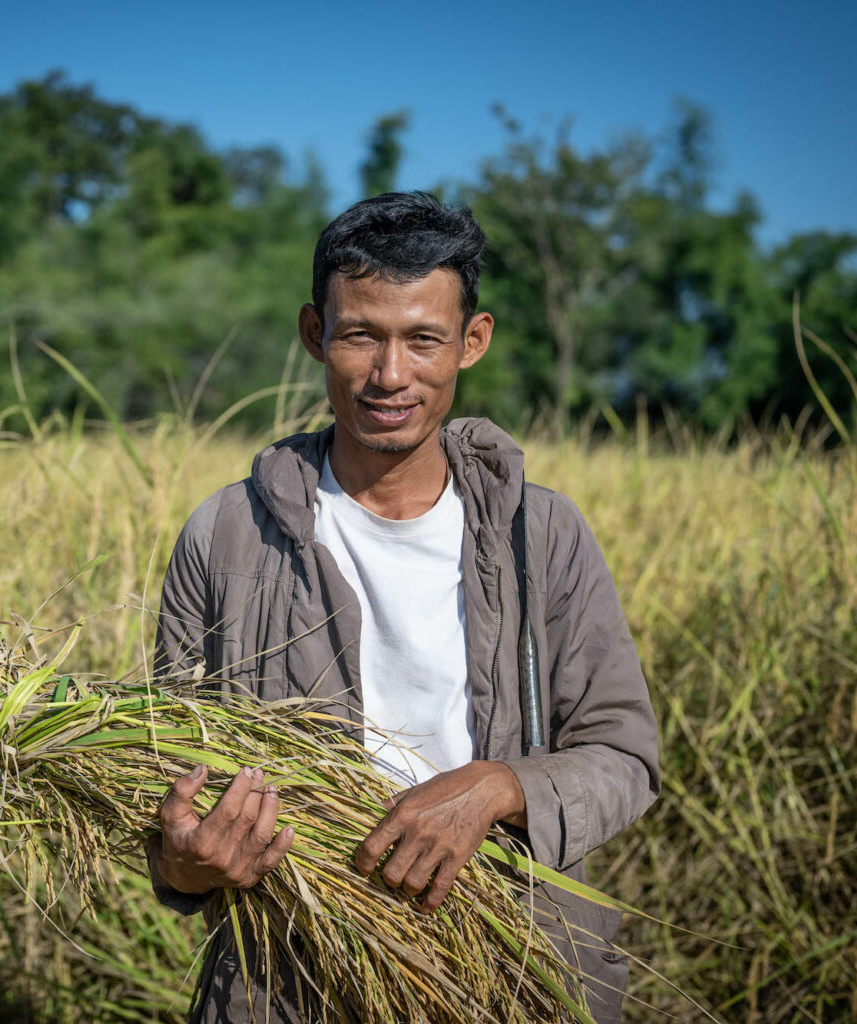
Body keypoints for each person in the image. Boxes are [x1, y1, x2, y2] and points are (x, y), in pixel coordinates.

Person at [148, 192, 660, 1023]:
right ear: (316, 334)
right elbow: (168, 798)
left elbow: (626, 759)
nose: (391, 375)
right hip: (289, 982)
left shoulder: (544, 534)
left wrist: (498, 787)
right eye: (361, 336)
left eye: (423, 338)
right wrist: (192, 863)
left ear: (472, 341)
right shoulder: (226, 535)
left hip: (511, 974)